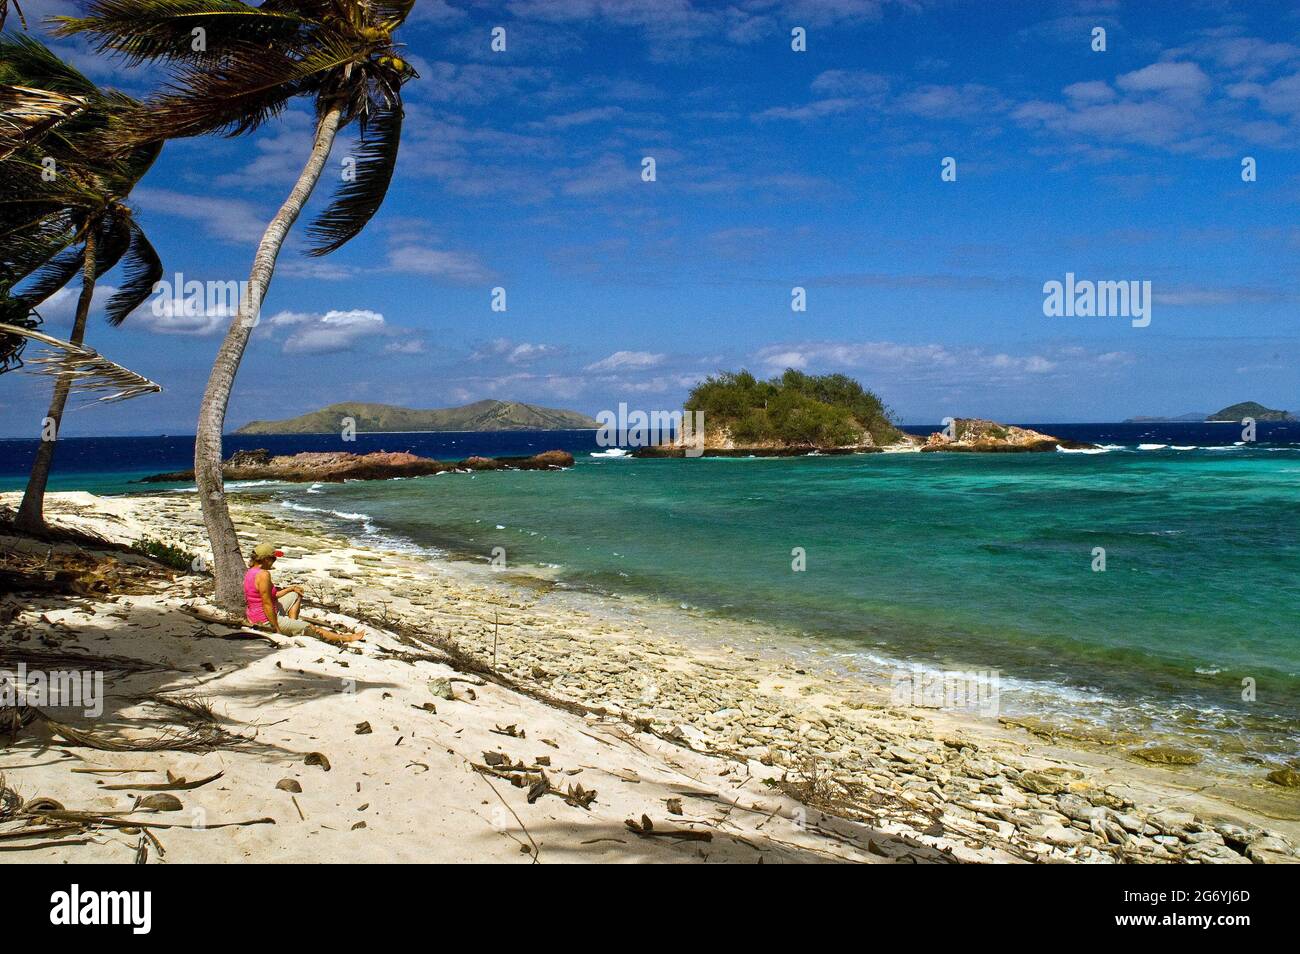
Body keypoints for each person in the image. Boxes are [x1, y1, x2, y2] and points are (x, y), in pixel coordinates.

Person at [244, 543, 364, 644]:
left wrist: (290, 588)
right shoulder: (263, 575)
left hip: (254, 615)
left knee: (295, 595)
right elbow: (267, 604)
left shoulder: (251, 572)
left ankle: (293, 624)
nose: (274, 562)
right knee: (310, 627)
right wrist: (276, 629)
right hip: (265, 619)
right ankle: (346, 638)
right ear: (266, 559)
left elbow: (270, 596)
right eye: (273, 559)